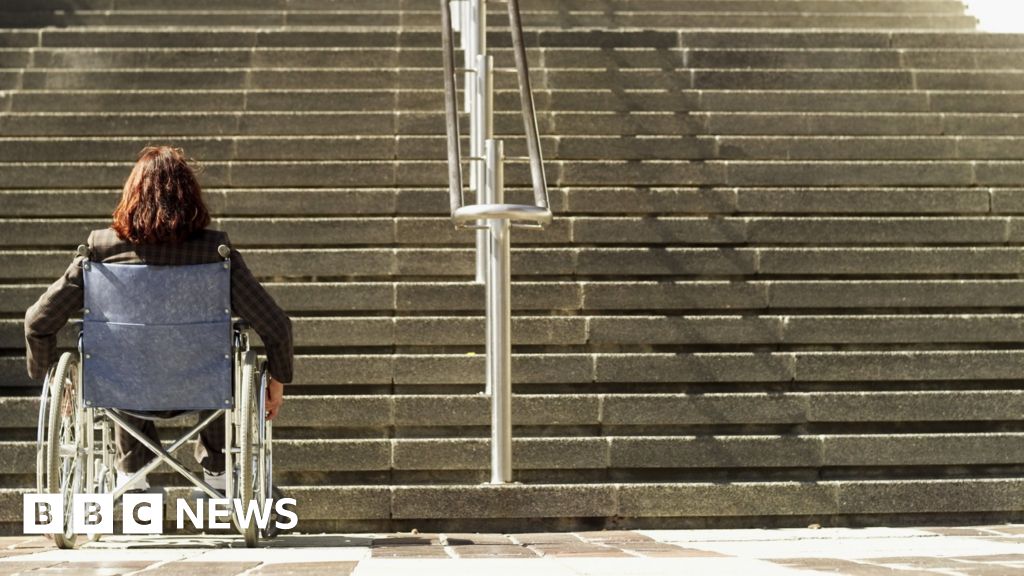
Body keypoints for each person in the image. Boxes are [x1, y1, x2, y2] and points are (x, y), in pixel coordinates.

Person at [24, 145, 293, 492]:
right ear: (190, 197)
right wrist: (278, 382)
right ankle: (218, 465)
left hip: (126, 389)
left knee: (120, 357)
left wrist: (55, 385)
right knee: (217, 355)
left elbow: (37, 322)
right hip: (203, 387)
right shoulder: (214, 252)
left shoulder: (101, 250)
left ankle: (132, 468)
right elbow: (276, 325)